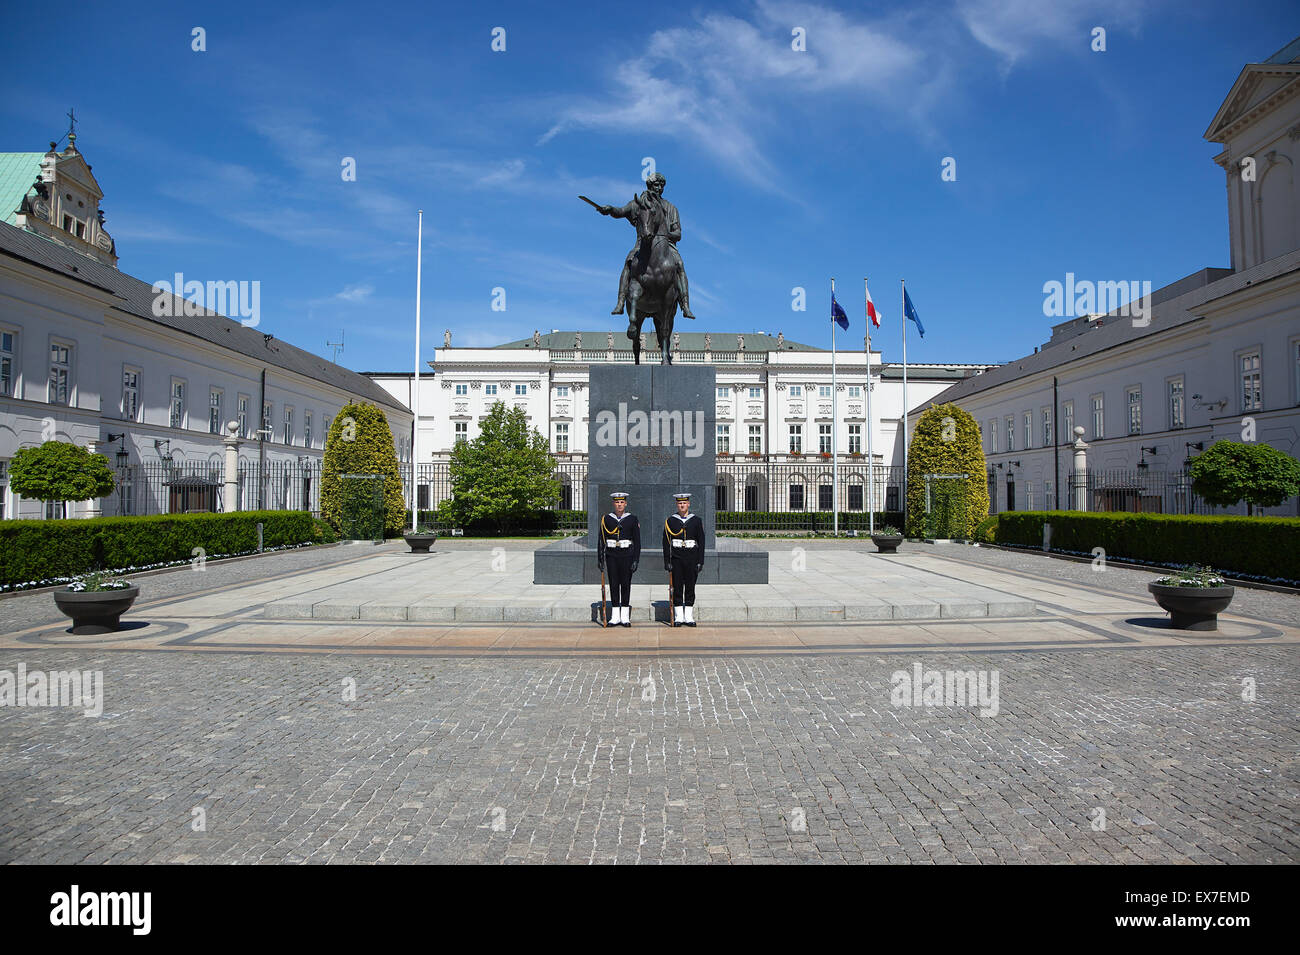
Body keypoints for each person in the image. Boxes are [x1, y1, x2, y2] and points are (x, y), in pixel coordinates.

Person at [597, 492, 640, 627]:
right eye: (617, 502)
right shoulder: (607, 519)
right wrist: (600, 558)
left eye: (622, 502)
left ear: (625, 504)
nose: (619, 505)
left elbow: (637, 542)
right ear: (613, 504)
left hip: (627, 555)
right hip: (612, 555)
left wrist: (636, 560)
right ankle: (615, 616)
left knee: (626, 585)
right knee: (614, 584)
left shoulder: (632, 519)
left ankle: (625, 616)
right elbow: (601, 540)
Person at [662, 492, 705, 626]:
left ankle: (689, 616)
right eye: (680, 503)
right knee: (677, 586)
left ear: (688, 504)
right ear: (677, 504)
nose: (682, 505)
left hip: (691, 557)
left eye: (684, 503)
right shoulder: (670, 521)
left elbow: (701, 542)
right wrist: (667, 561)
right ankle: (679, 616)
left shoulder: (696, 520)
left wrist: (700, 561)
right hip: (677, 557)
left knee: (690, 586)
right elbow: (666, 543)